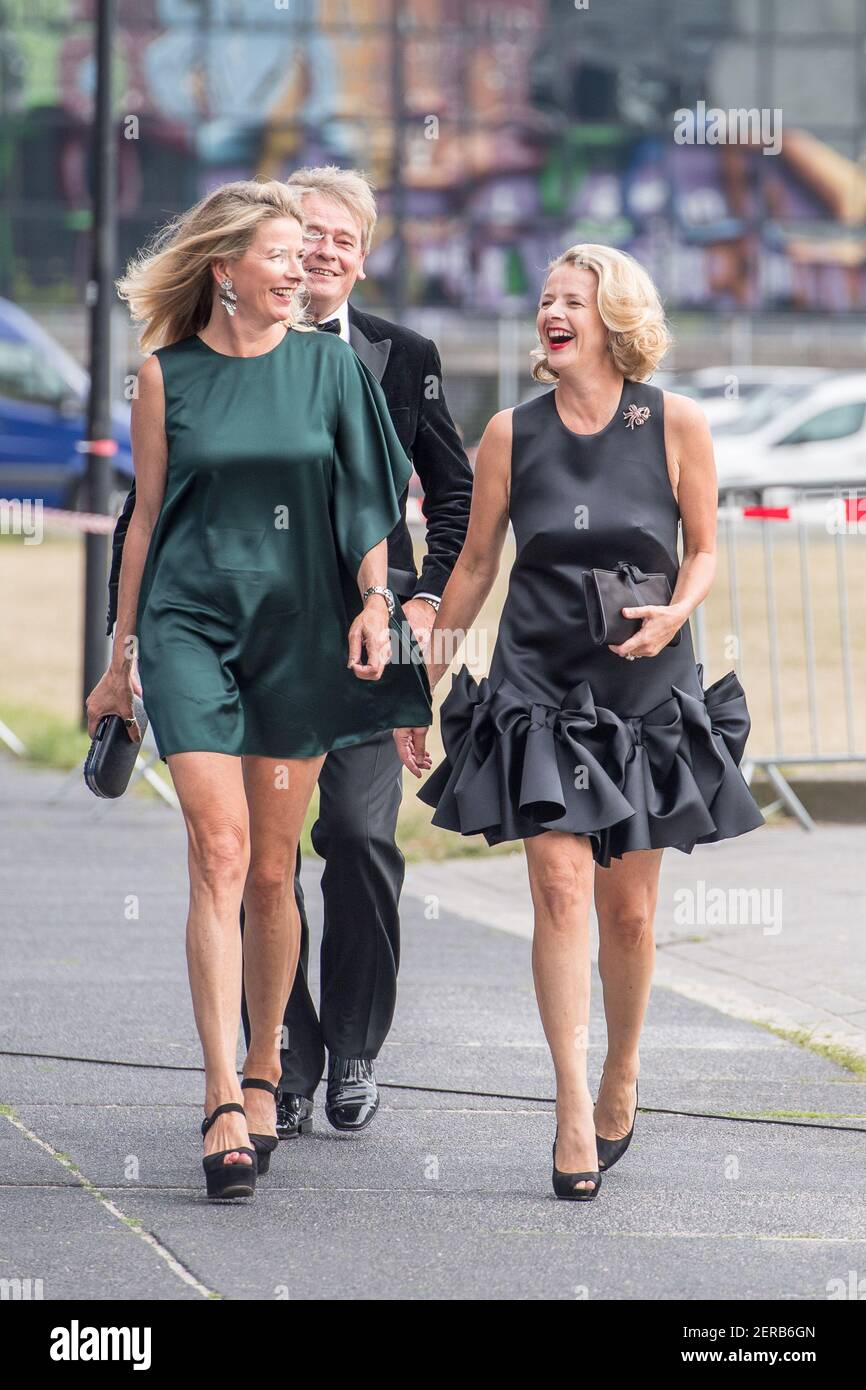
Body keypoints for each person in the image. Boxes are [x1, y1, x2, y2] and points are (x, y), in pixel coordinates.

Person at [105, 167, 474, 1138]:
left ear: (360, 252)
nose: (314, 254)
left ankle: (340, 1052)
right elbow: (143, 516)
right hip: (200, 625)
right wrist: (121, 653)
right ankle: (253, 1082)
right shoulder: (171, 371)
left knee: (339, 841)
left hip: (338, 633)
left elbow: (433, 496)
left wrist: (410, 600)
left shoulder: (387, 358)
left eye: (334, 239)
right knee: (229, 853)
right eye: (295, 237)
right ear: (233, 262)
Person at [396, 243, 765, 1201]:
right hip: (537, 687)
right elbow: (473, 567)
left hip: (646, 688)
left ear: (615, 319)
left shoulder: (674, 422)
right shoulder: (509, 433)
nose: (552, 313)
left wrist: (679, 613)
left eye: (574, 301)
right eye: (546, 301)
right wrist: (420, 685)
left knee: (630, 912)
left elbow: (707, 550)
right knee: (559, 888)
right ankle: (567, 1108)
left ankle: (621, 1075)